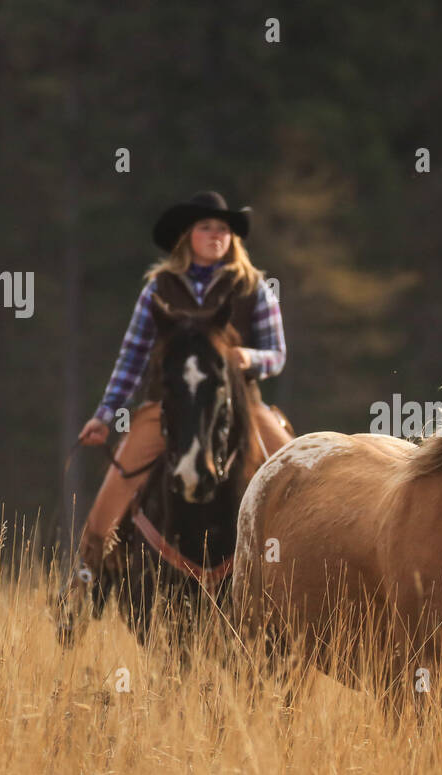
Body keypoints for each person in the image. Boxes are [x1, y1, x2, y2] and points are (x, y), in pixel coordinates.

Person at [60, 190, 290, 618]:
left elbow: (276, 353)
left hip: (242, 408)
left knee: (294, 478)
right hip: (167, 408)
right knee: (106, 509)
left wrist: (248, 358)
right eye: (206, 227)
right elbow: (132, 357)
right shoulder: (158, 290)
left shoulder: (253, 287)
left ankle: (310, 579)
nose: (216, 235)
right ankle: (79, 596)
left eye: (223, 229)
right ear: (188, 235)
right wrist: (105, 415)